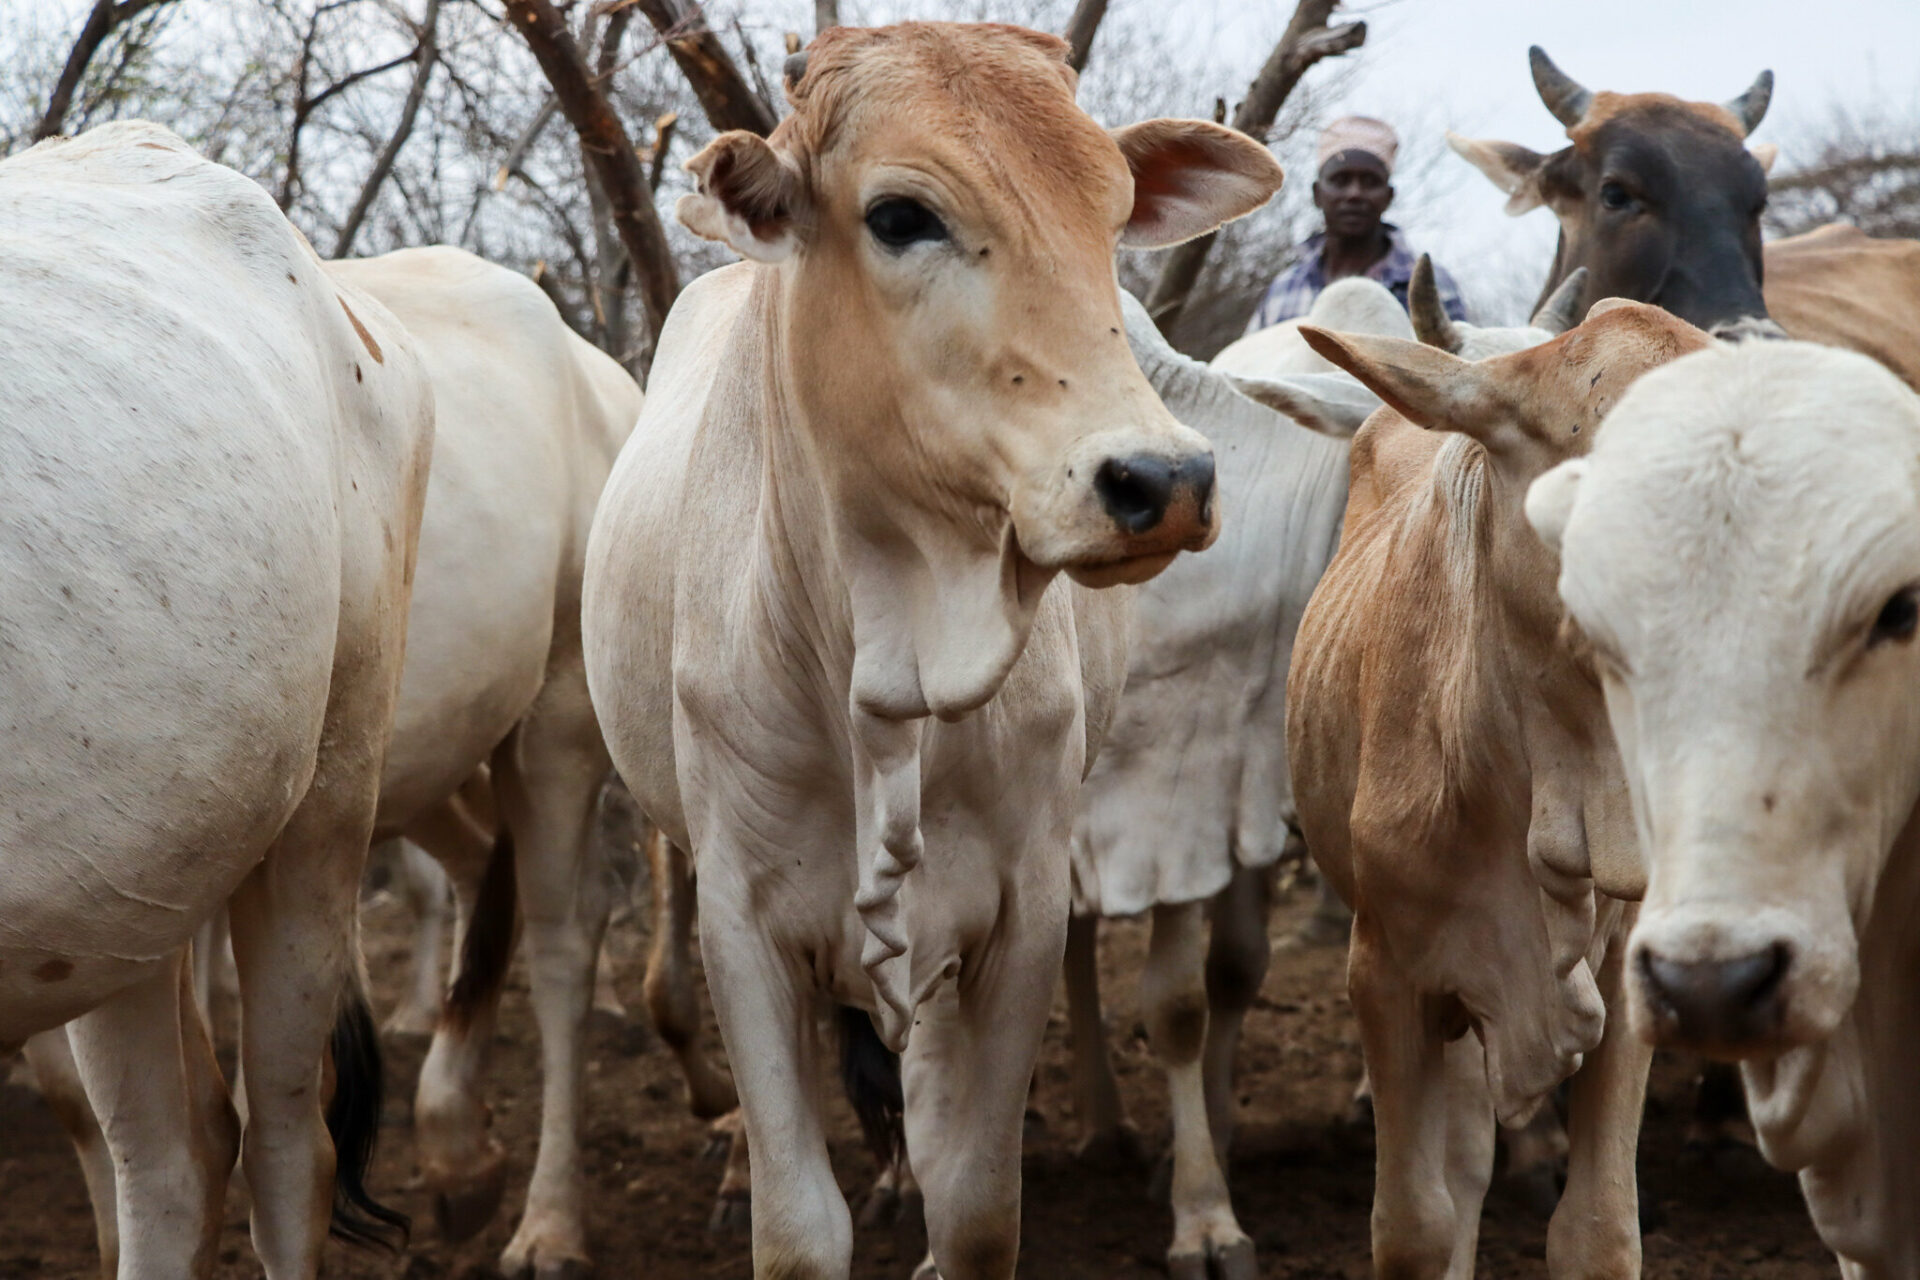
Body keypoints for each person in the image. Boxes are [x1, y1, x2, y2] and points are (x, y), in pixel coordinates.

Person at [1246, 115, 1468, 332]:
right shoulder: (1284, 288)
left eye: (1371, 182)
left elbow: (1457, 366)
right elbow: (1246, 364)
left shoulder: (1432, 286)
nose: (1354, 194)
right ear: (1317, 194)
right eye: (1340, 180)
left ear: (1389, 196)